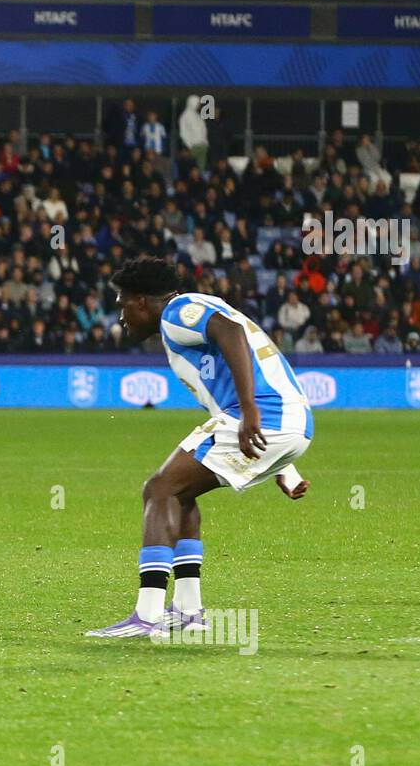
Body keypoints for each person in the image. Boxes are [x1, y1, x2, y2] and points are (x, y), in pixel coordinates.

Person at [87, 256, 312, 640]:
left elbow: (230, 332)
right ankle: (188, 611)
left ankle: (148, 615)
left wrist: (250, 412)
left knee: (160, 489)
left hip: (262, 414)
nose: (121, 317)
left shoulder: (178, 312)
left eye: (123, 304)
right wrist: (284, 468)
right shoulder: (189, 319)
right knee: (182, 493)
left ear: (142, 301)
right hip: (288, 423)